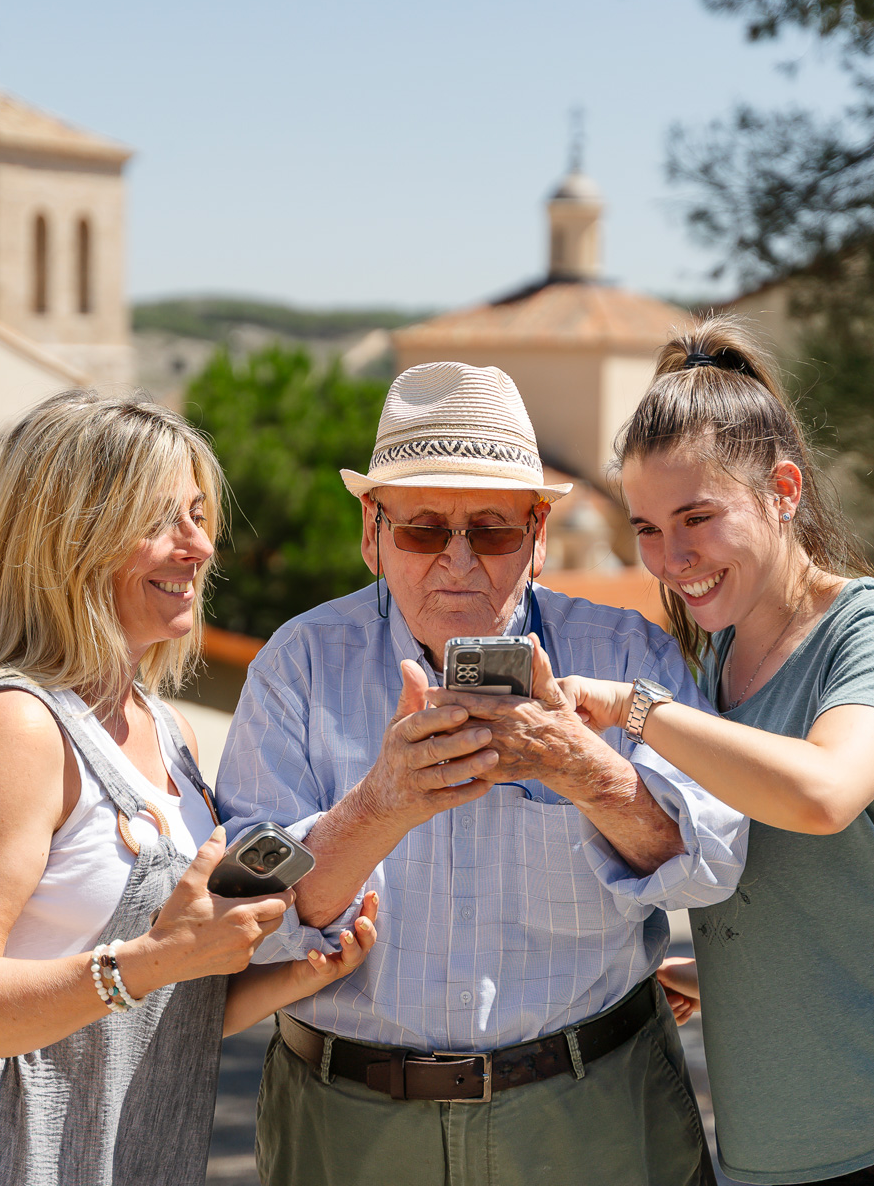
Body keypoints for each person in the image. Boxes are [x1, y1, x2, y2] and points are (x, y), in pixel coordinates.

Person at [545, 318, 874, 1185]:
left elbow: (823, 795)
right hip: (780, 1153)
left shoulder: (872, 634)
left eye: (697, 518)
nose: (671, 559)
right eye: (644, 528)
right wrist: (741, 962)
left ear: (783, 489)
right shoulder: (709, 669)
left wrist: (638, 710)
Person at [214, 362, 746, 1186]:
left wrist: (582, 770)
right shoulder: (301, 664)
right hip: (348, 1126)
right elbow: (255, 912)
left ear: (537, 535)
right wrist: (379, 807)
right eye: (424, 530)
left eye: (492, 531)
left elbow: (710, 862)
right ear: (371, 531)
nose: (457, 562)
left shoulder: (628, 656)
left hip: (591, 1111)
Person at [0, 390, 378, 1186]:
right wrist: (156, 956)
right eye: (160, 519)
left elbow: (148, 1013)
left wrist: (289, 977)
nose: (198, 546)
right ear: (70, 539)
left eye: (199, 515)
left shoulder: (169, 733)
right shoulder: (14, 727)